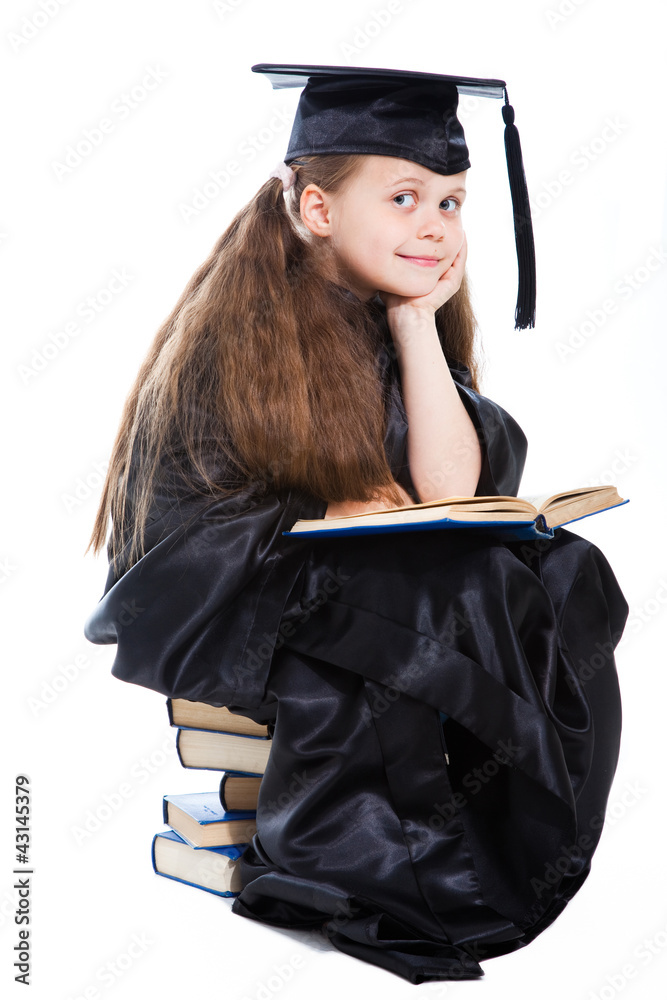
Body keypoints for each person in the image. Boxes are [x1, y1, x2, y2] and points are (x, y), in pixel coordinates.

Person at [84, 64, 628, 984]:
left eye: (453, 203)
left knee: (564, 572)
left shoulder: (387, 314)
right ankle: (392, 862)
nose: (436, 225)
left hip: (358, 579)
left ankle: (508, 844)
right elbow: (184, 523)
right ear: (318, 208)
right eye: (406, 196)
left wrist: (418, 323)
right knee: (453, 591)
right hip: (234, 597)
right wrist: (312, 515)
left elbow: (452, 484)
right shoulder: (236, 335)